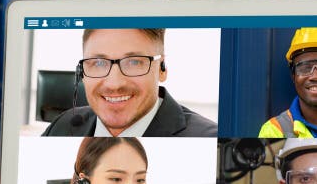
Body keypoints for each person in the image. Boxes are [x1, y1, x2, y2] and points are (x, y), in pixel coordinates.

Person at [42, 28, 217, 137]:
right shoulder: (63, 126)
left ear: (162, 68)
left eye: (134, 62)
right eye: (98, 63)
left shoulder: (209, 139)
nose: (114, 84)